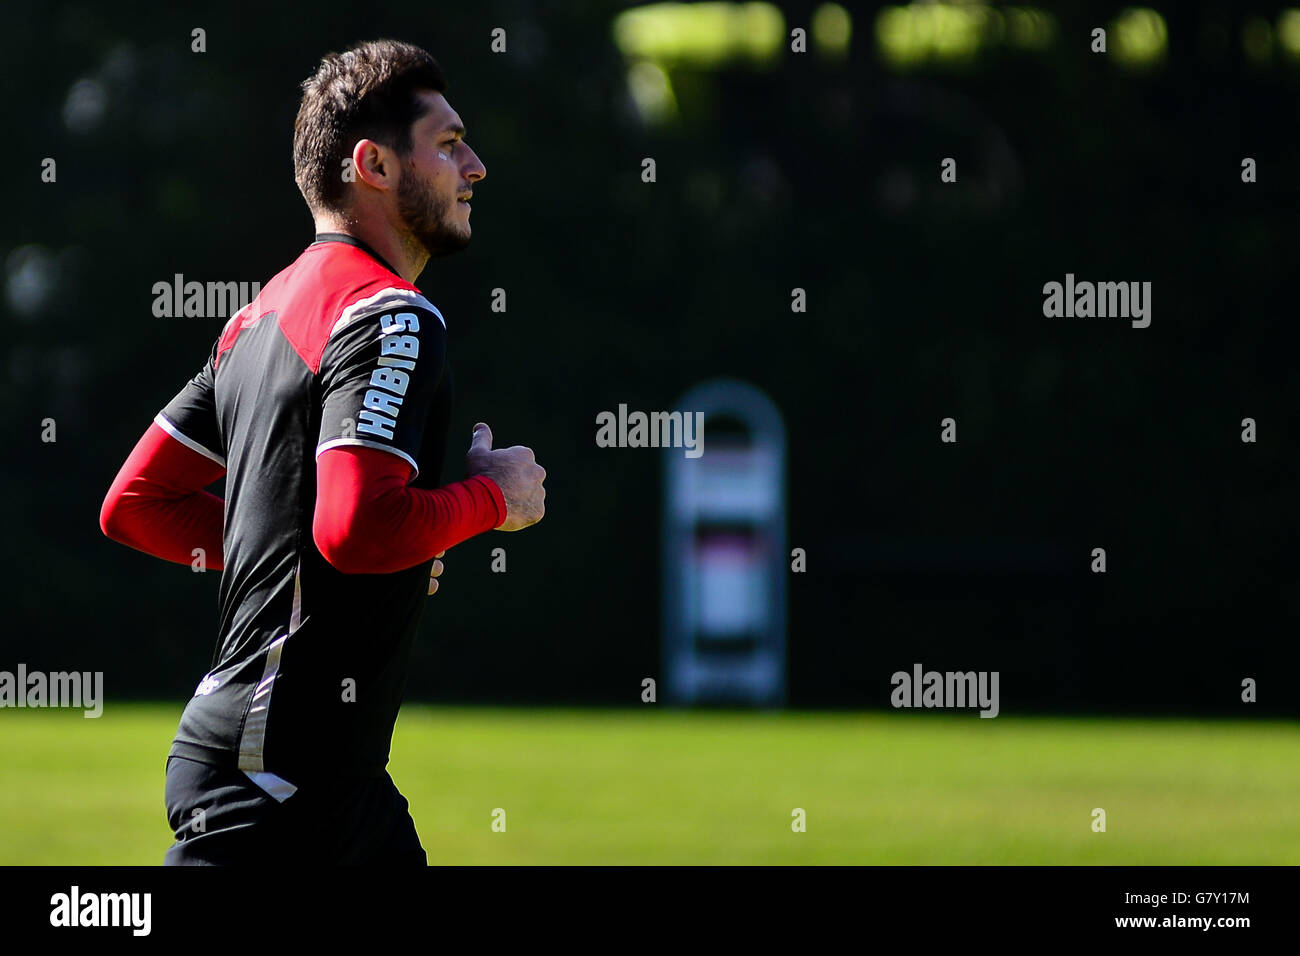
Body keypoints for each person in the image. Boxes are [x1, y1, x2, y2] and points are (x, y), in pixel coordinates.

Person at [99, 39, 546, 865]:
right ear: (373, 164)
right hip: (277, 780)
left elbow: (136, 505)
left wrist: (318, 555)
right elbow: (357, 529)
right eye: (448, 143)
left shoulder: (259, 314)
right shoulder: (392, 314)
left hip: (326, 780)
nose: (475, 166)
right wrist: (494, 499)